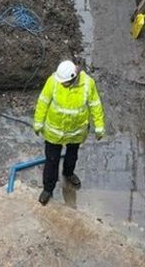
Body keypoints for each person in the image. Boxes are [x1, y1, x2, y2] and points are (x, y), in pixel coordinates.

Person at [32, 60, 105, 205]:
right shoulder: (54, 81)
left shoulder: (88, 84)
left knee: (72, 156)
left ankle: (68, 173)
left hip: (75, 131)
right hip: (54, 131)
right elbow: (43, 102)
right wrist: (38, 122)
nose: (62, 84)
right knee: (51, 160)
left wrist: (99, 126)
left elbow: (95, 105)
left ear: (73, 78)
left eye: (64, 82)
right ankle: (48, 188)